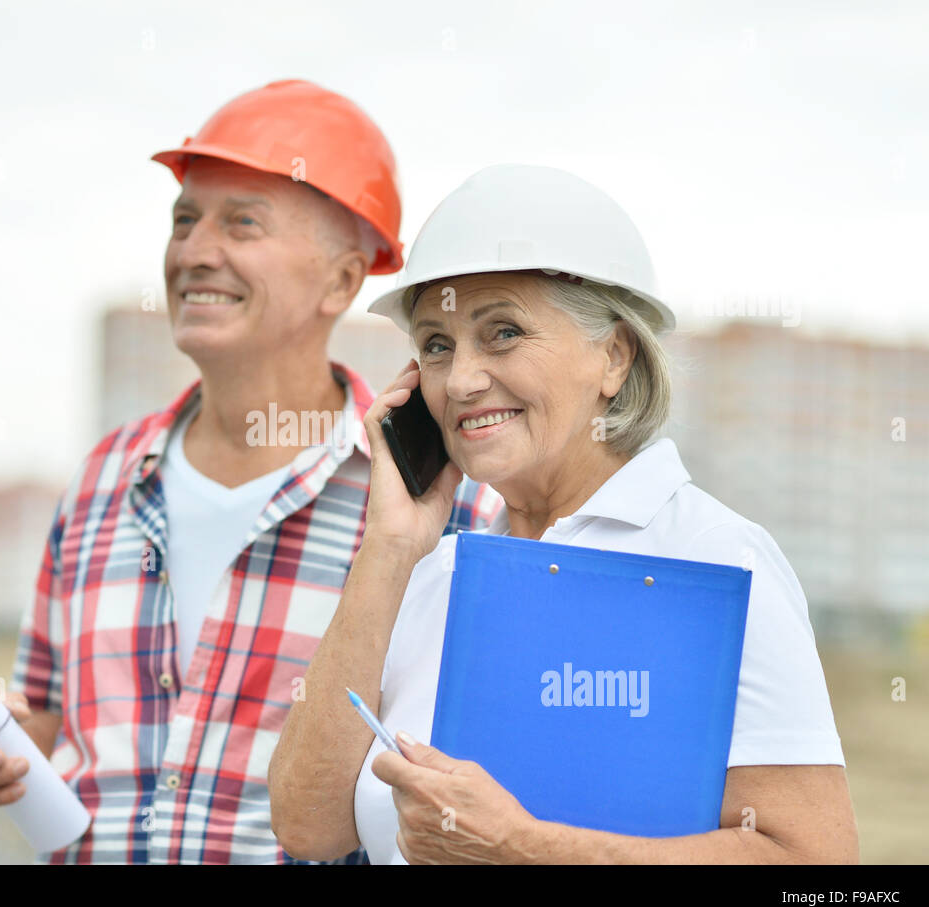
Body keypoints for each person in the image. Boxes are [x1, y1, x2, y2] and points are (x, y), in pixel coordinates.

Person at [0, 80, 502, 864]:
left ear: (342, 278)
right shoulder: (101, 480)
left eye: (241, 223)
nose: (193, 251)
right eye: (184, 221)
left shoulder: (439, 507)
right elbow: (49, 722)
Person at [269, 164, 859, 864]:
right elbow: (309, 827)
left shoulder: (715, 558)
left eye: (504, 333)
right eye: (435, 344)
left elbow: (819, 879)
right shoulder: (425, 575)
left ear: (612, 356)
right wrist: (390, 547)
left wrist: (523, 847)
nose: (460, 380)